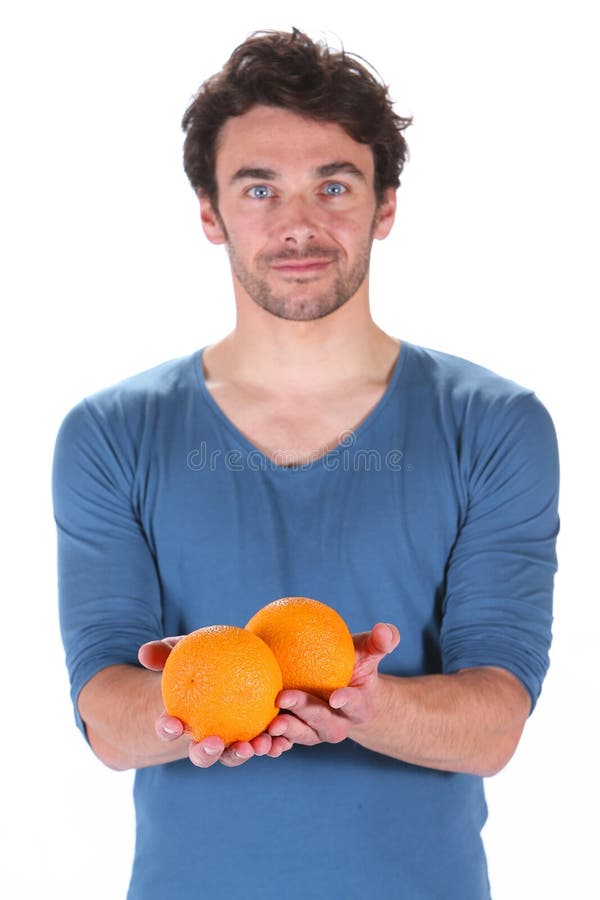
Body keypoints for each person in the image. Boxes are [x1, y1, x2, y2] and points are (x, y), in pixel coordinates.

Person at [52, 28, 560, 900]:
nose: (298, 225)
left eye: (334, 185)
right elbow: (105, 716)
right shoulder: (110, 434)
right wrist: (205, 701)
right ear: (210, 213)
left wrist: (362, 703)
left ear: (384, 206)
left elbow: (495, 725)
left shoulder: (494, 426)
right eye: (260, 189)